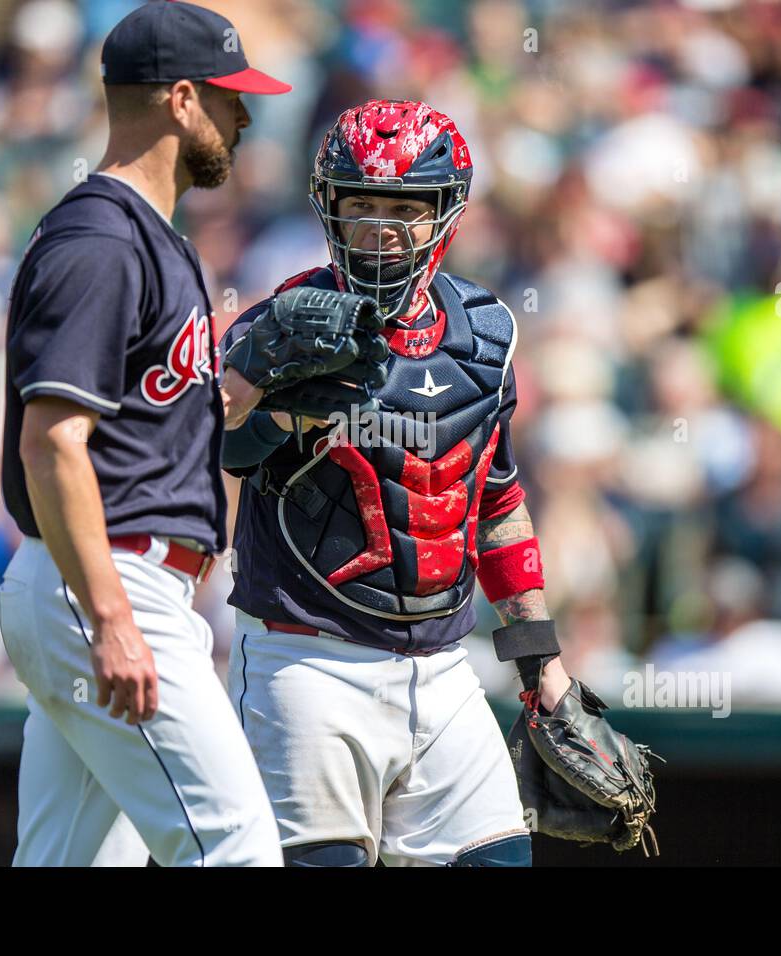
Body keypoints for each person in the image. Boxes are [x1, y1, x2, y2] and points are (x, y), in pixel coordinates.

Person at [216, 100, 584, 867]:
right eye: (363, 206)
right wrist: (277, 412)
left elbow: (497, 501)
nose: (382, 228)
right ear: (329, 208)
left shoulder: (486, 334)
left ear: (444, 214)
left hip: (445, 666)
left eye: (404, 208)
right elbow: (217, 447)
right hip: (307, 660)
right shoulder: (277, 326)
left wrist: (540, 663)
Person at [0, 1, 290, 867]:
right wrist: (111, 618)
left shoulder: (148, 239)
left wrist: (253, 381)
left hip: (106, 581)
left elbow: (150, 425)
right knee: (237, 849)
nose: (246, 117)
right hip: (106, 579)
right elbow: (51, 442)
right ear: (183, 99)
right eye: (233, 99)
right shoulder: (102, 240)